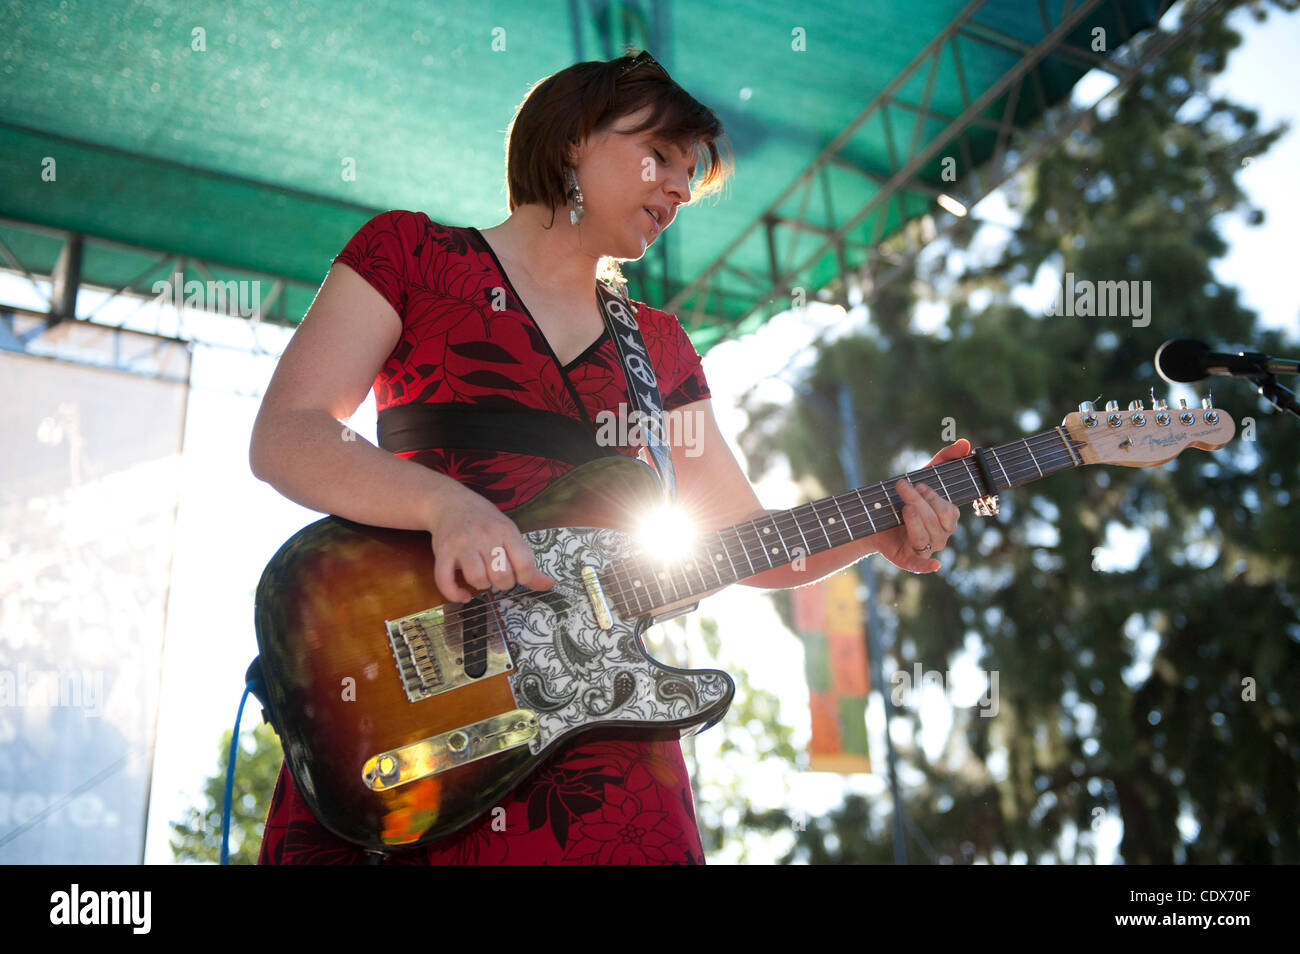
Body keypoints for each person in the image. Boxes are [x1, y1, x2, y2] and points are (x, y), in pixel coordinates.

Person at [248, 50, 966, 864]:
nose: (679, 189)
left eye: (689, 174)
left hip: (605, 761)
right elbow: (289, 434)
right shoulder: (410, 254)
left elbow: (745, 538)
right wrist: (444, 506)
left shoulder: (660, 344)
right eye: (658, 156)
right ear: (569, 142)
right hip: (415, 726)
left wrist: (877, 532)